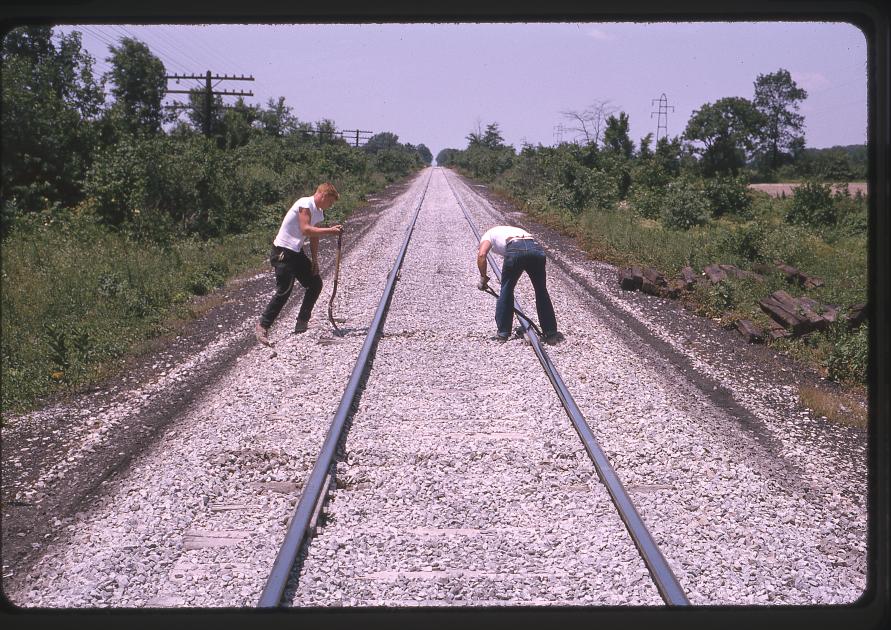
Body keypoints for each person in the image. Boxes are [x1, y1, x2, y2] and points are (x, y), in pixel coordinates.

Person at [255, 183, 343, 346]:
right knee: (284, 290)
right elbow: (306, 230)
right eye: (330, 202)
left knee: (315, 283)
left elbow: (314, 236)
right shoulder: (305, 204)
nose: (330, 206)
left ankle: (302, 321)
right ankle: (262, 326)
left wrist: (315, 260)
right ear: (323, 195)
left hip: (296, 252)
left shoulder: (319, 212)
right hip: (283, 251)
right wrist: (331, 231)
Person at [476, 225, 563, 344]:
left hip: (514, 249)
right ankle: (551, 332)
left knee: (506, 290)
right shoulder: (512, 230)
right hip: (535, 249)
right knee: (541, 290)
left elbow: (481, 255)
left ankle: (503, 333)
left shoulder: (487, 235)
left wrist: (483, 278)